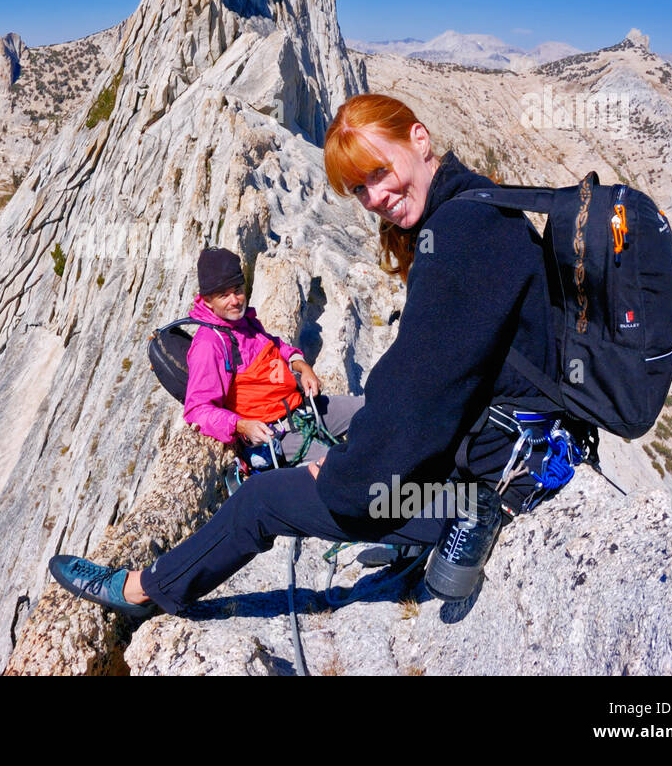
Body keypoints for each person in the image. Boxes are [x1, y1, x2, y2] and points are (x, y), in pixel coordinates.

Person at [49, 93, 564, 620]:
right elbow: (441, 377)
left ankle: (140, 591)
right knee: (358, 423)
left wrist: (342, 476)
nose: (375, 197)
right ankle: (405, 538)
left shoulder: (457, 238)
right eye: (359, 188)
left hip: (478, 493)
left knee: (260, 501)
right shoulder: (482, 206)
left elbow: (421, 398)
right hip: (518, 456)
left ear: (420, 137)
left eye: (379, 173)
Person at [184, 246, 362, 471]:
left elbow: (276, 347)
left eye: (238, 290)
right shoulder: (209, 344)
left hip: (303, 410)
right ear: (208, 301)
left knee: (374, 407)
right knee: (341, 468)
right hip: (277, 434)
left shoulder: (244, 322)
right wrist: (240, 425)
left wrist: (302, 365)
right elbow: (197, 410)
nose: (235, 300)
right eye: (223, 295)